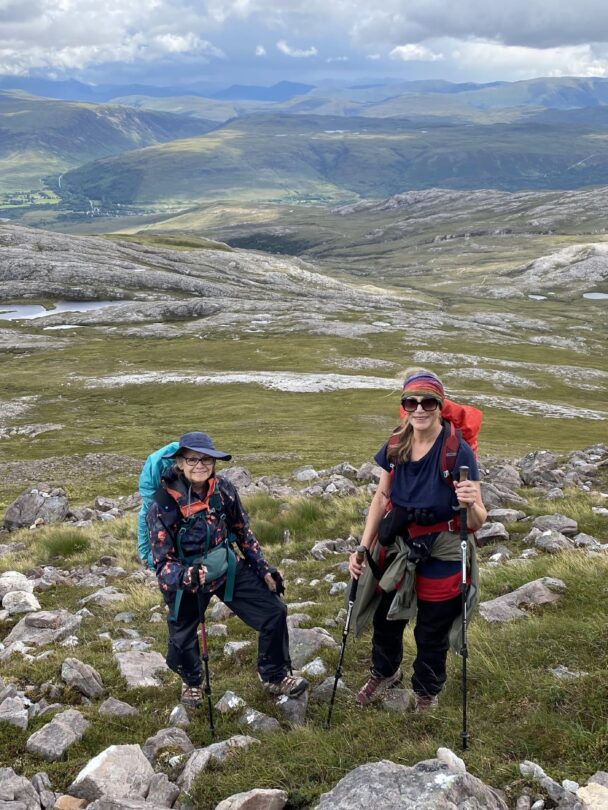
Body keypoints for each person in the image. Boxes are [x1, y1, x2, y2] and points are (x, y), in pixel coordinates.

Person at [348, 369, 486, 710]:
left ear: (440, 405)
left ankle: (426, 691)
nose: (420, 409)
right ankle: (385, 671)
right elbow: (382, 497)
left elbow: (479, 519)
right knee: (386, 617)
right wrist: (363, 547)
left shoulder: (458, 451)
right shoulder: (396, 444)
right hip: (399, 544)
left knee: (432, 628)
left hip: (445, 546)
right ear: (404, 406)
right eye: (412, 401)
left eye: (428, 402)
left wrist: (470, 503)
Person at [146, 431, 308, 707]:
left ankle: (275, 675)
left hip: (227, 570)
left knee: (274, 612)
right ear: (181, 463)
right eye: (193, 459)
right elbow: (162, 564)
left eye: (206, 459)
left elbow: (242, 532)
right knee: (182, 637)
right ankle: (192, 682)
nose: (200, 465)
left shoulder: (224, 489)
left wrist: (263, 569)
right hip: (187, 580)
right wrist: (186, 575)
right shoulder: (162, 504)